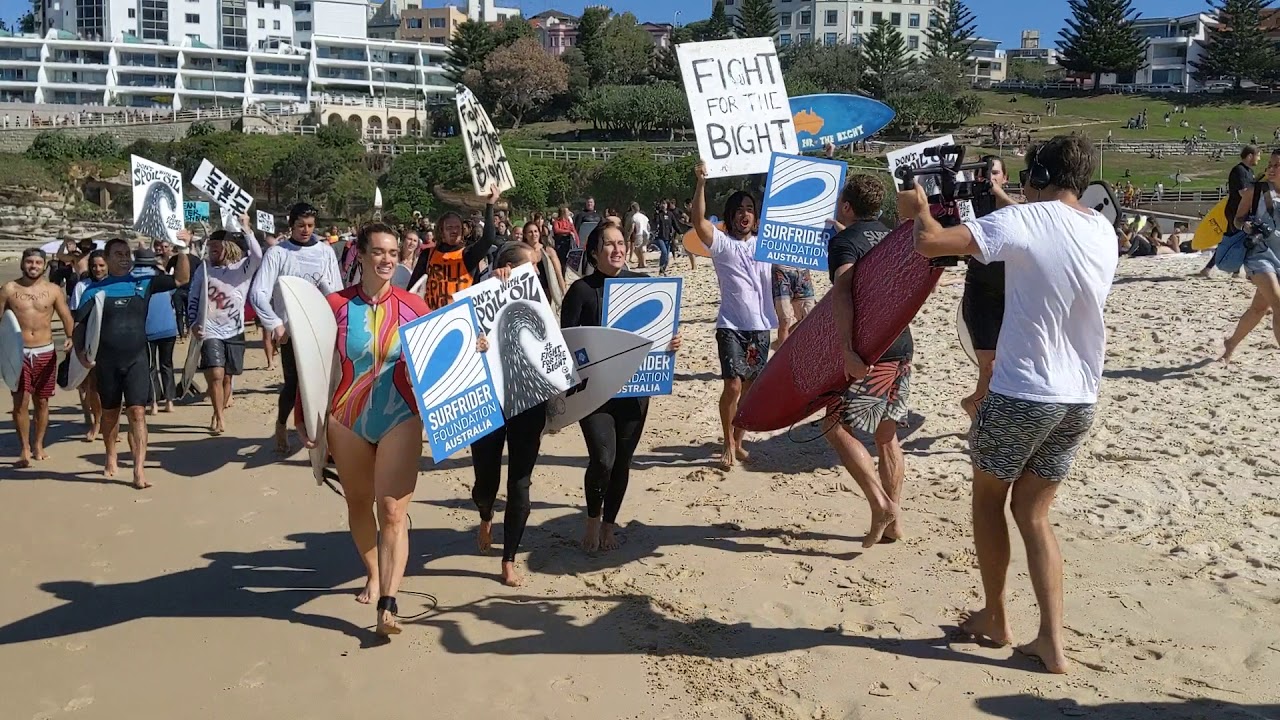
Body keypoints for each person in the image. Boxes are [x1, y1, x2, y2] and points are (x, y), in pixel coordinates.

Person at [905, 134, 1118, 674]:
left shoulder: (1027, 220)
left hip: (1024, 390)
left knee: (987, 501)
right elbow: (1037, 227)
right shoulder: (1101, 229)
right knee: (1035, 513)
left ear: (1035, 178)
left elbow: (931, 243)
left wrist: (918, 209)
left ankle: (997, 617)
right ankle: (1051, 640)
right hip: (1079, 398)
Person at [299, 223, 448, 637]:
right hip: (347, 418)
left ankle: (388, 603)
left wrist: (478, 347)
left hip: (399, 414)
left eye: (394, 253)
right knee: (358, 504)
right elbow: (310, 368)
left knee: (392, 511)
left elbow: (442, 355)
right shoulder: (335, 306)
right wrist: (305, 418)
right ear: (361, 255)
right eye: (379, 252)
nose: (387, 260)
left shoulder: (414, 306)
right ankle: (373, 571)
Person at [561, 223, 682, 552]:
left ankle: (609, 525)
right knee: (603, 459)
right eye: (609, 244)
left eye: (620, 243)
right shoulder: (581, 291)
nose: (617, 249)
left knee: (622, 461)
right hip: (595, 393)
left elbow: (656, 333)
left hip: (635, 390)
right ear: (594, 252)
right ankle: (591, 519)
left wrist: (670, 343)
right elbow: (566, 343)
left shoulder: (642, 284)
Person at [820, 175, 909, 548]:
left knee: (833, 425)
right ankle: (893, 523)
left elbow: (843, 294)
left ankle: (880, 503)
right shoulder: (893, 237)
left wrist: (846, 349)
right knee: (887, 436)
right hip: (901, 344)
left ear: (846, 206)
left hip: (867, 350)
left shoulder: (844, 243)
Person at [468, 241, 546, 588]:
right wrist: (492, 281)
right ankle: (485, 514)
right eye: (527, 268)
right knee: (486, 482)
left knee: (520, 484)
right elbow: (464, 344)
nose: (535, 273)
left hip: (528, 399)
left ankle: (509, 558)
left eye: (536, 268)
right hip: (488, 399)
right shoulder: (479, 294)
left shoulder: (538, 298)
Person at [691, 162, 778, 471]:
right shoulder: (722, 244)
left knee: (752, 390)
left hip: (761, 326)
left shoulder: (766, 244)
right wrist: (702, 183)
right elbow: (697, 220)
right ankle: (728, 441)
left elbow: (795, 232)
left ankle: (739, 440)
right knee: (733, 386)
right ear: (731, 215)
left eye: (750, 209)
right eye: (740, 209)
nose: (745, 214)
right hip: (730, 325)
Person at [75, 238, 180, 488]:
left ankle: (138, 469)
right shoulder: (94, 290)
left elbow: (181, 279)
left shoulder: (142, 283)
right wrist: (80, 354)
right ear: (108, 258)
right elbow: (80, 325)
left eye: (127, 253)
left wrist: (181, 248)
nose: (124, 257)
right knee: (110, 415)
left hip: (137, 359)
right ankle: (111, 455)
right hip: (106, 362)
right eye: (118, 254)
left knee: (138, 413)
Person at [249, 202, 343, 453]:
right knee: (293, 383)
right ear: (291, 225)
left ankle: (323, 435)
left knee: (326, 382)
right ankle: (282, 424)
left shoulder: (325, 252)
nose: (306, 230)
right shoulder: (278, 253)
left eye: (310, 225)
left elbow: (335, 293)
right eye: (301, 225)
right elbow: (258, 293)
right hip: (290, 332)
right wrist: (276, 324)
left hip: (320, 329)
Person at [189, 217, 264, 435]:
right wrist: (193, 322)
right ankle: (219, 415)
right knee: (216, 373)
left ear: (228, 247)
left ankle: (219, 409)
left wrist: (246, 228)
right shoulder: (203, 270)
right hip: (209, 328)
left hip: (235, 329)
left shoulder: (242, 269)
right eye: (210, 247)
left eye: (216, 247)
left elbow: (258, 255)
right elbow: (194, 296)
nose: (212, 250)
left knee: (228, 376)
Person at [0, 248, 74, 467]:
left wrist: (71, 337)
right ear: (23, 263)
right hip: (18, 352)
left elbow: (65, 315)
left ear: (44, 265)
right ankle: (24, 448)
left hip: (45, 351)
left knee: (42, 402)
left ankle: (38, 445)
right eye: (30, 262)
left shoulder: (53, 290)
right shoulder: (8, 289)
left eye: (38, 263)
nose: (33, 266)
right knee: (20, 403)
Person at [961, 156, 1021, 420]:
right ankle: (980, 414)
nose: (987, 178)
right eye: (982, 174)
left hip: (1014, 293)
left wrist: (998, 195)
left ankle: (978, 405)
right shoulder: (968, 206)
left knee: (1009, 367)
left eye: (994, 173)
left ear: (1005, 178)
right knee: (990, 367)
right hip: (981, 290)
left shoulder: (1017, 209)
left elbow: (1027, 221)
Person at [1221, 148, 1280, 363]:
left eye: (1276, 165)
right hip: (1260, 255)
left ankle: (1231, 343)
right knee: (1278, 304)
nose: (1271, 169)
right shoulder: (1255, 190)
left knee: (1258, 309)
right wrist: (1245, 225)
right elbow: (1237, 219)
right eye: (1270, 164)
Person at [405, 188, 501, 310]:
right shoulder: (428, 254)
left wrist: (490, 205)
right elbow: (413, 287)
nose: (454, 230)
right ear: (441, 231)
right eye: (449, 227)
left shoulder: (468, 254)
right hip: (432, 318)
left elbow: (488, 239)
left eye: (457, 227)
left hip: (461, 319)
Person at [1200, 146, 1259, 278]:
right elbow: (1243, 192)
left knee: (1237, 239)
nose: (1259, 159)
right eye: (1258, 155)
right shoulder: (1239, 171)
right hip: (1235, 211)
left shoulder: (1249, 172)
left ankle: (1221, 269)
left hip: (1242, 210)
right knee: (1234, 240)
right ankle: (1236, 271)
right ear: (1250, 156)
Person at [133, 248, 179, 415]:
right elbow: (174, 291)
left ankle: (153, 403)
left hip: (147, 329)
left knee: (150, 367)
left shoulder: (133, 279)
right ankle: (169, 401)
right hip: (168, 327)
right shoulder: (162, 279)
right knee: (167, 364)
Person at [73, 249, 108, 440]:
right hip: (91, 341)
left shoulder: (117, 284)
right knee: (93, 387)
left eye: (102, 265)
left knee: (112, 388)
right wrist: (74, 341)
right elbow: (75, 316)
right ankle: (97, 423)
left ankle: (110, 425)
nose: (97, 269)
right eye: (94, 265)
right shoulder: (82, 287)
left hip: (112, 341)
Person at [770, 265, 815, 349]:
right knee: (785, 320)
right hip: (781, 271)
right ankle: (783, 354)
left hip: (803, 270)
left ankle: (780, 342)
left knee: (810, 318)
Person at [626, 201, 650, 270]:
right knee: (643, 248)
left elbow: (633, 227)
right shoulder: (644, 216)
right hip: (646, 233)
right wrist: (648, 232)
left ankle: (642, 262)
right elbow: (648, 226)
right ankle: (641, 263)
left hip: (639, 234)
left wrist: (629, 235)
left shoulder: (634, 217)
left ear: (633, 209)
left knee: (637, 249)